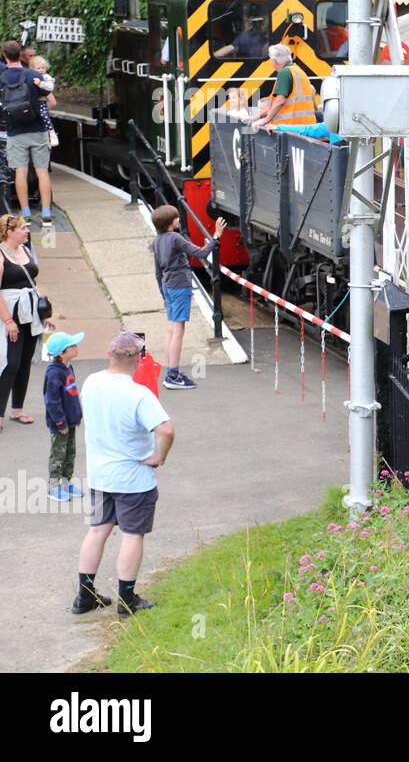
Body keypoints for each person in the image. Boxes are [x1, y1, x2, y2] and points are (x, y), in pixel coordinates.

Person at [73, 332, 175, 617]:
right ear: (138, 358)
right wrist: (159, 457)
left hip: (99, 475)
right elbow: (166, 429)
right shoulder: (138, 394)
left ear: (109, 353)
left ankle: (85, 596)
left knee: (96, 532)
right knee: (132, 535)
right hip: (133, 478)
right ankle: (127, 599)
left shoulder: (91, 382)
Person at [150, 205, 227, 389]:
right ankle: (173, 376)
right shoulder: (175, 238)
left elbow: (157, 272)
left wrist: (163, 293)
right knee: (178, 330)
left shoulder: (156, 241)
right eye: (176, 217)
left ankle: (170, 371)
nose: (179, 220)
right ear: (170, 222)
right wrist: (216, 236)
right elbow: (201, 253)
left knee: (171, 329)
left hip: (168, 286)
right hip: (179, 285)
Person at [0, 215, 46, 429]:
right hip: (11, 313)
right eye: (22, 228)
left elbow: (32, 282)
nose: (27, 231)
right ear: (9, 232)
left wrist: (44, 312)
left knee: (25, 363)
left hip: (30, 312)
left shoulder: (26, 251)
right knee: (11, 363)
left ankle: (17, 409)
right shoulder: (1, 255)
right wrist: (8, 321)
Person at [1, 40, 54, 227]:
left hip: (14, 132)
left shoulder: (1, 77)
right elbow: (46, 95)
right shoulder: (32, 74)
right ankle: (46, 213)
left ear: (5, 56)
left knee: (20, 173)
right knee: (42, 172)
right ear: (20, 55)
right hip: (37, 129)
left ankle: (26, 215)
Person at [44, 330, 84, 502]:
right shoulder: (54, 373)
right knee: (58, 456)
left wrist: (76, 415)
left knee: (70, 454)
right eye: (72, 346)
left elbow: (71, 394)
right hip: (60, 424)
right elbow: (52, 401)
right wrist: (60, 422)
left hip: (71, 421)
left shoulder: (68, 367)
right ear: (62, 353)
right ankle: (53, 487)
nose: (76, 347)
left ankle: (66, 482)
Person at [249, 44, 318, 129]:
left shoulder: (284, 73)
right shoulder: (298, 71)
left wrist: (265, 120)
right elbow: (273, 105)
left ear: (274, 61)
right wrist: (254, 118)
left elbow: (280, 101)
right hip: (306, 126)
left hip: (290, 127)